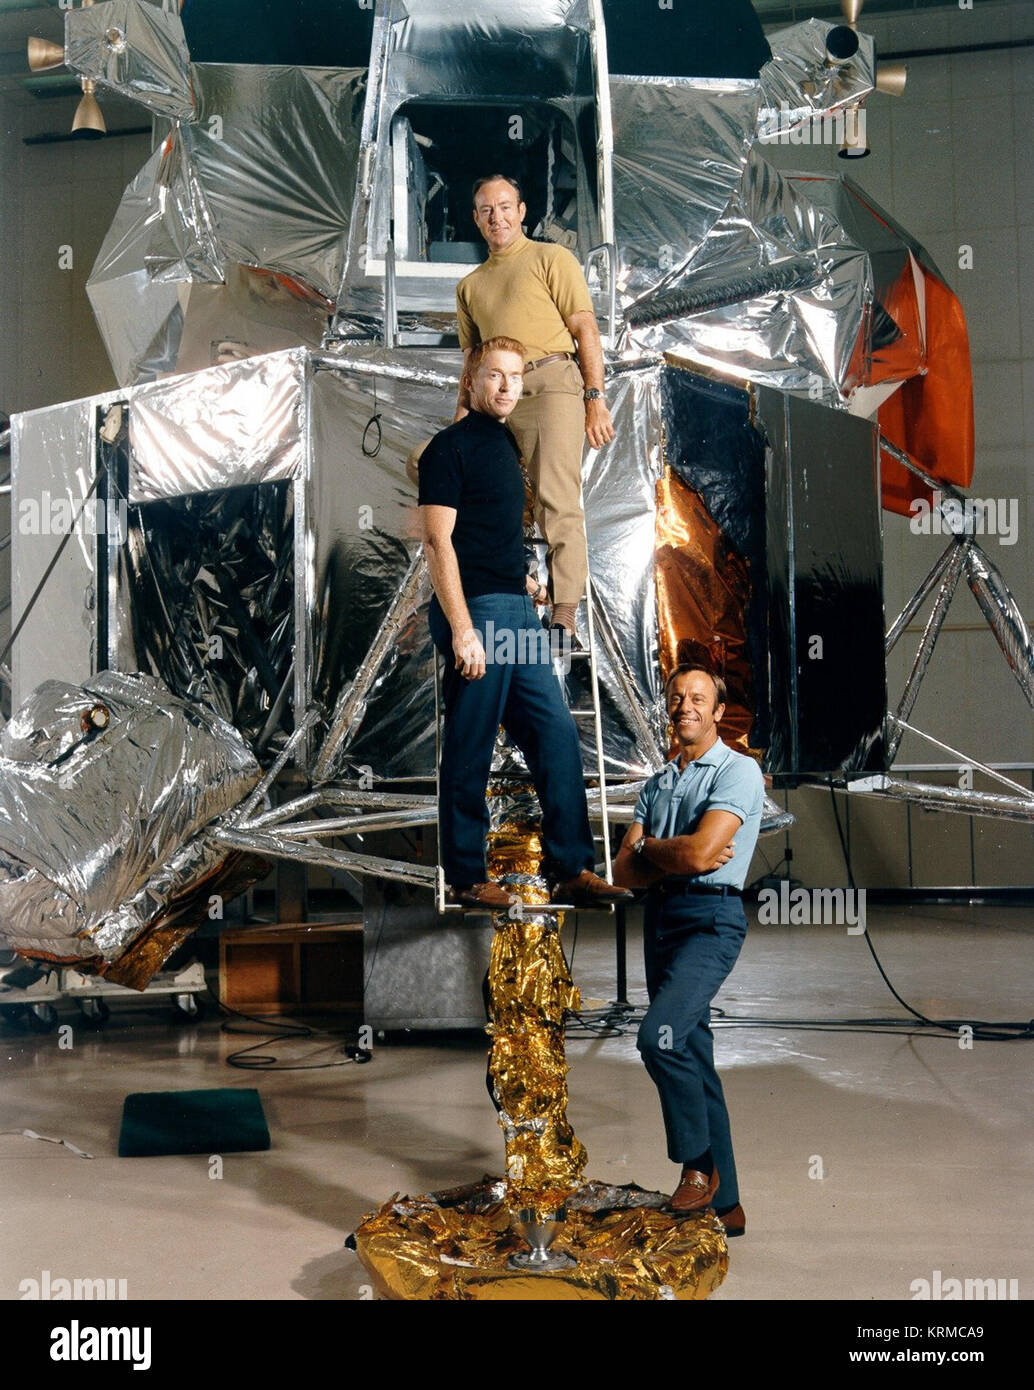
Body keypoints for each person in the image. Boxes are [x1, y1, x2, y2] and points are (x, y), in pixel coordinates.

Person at [419, 335, 632, 912]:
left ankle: (571, 869)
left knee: (557, 735)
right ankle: (466, 875)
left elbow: (489, 536)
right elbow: (439, 544)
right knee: (471, 741)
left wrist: (530, 585)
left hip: (516, 610)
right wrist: (462, 628)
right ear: (473, 380)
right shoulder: (448, 449)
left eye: (516, 376)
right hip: (478, 612)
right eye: (495, 375)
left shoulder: (508, 445)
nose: (508, 385)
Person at [613, 664, 764, 1233]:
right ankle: (728, 1210)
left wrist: (653, 848)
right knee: (695, 1058)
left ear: (718, 711)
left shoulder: (738, 772)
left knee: (660, 1038)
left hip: (710, 920)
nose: (686, 707)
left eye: (699, 699)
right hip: (661, 920)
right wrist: (663, 851)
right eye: (677, 698)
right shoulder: (657, 783)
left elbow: (703, 858)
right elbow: (628, 872)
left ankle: (699, 1170)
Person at [453, 175, 615, 637]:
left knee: (555, 498)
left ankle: (563, 612)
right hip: (494, 397)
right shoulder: (470, 286)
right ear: (476, 219)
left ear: (522, 211)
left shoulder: (551, 258)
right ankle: (520, 583)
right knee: (433, 468)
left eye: (505, 207)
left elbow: (585, 330)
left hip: (549, 383)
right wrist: (459, 426)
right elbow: (471, 363)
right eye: (486, 210)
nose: (496, 217)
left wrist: (595, 399)